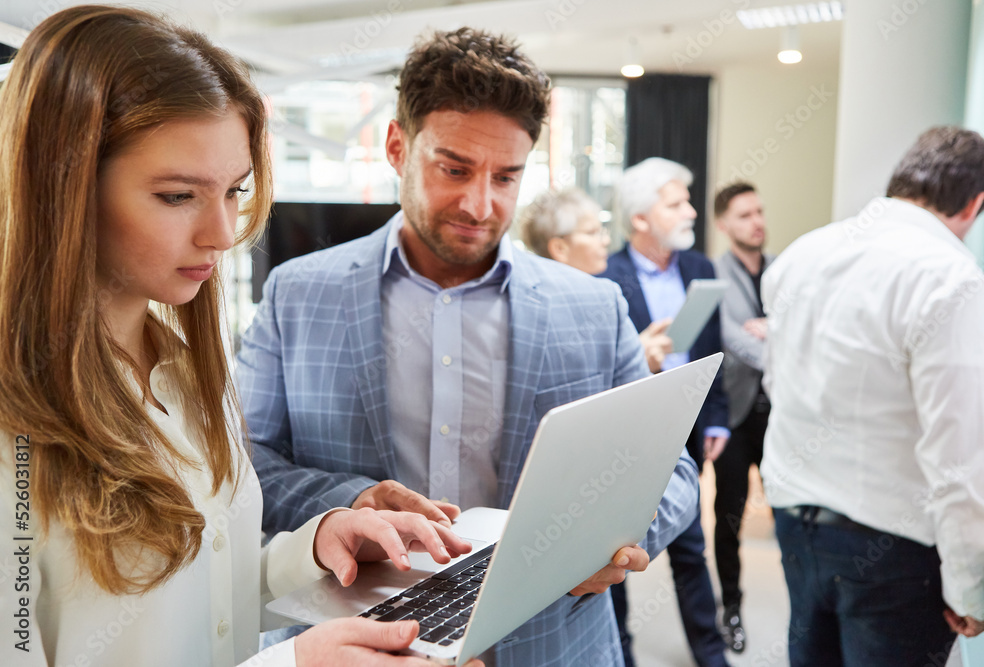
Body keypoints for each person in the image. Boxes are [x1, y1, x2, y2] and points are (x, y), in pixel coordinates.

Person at [0, 7, 483, 667]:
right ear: (63, 186)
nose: (224, 234)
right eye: (177, 196)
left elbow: (196, 599)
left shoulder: (182, 368)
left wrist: (316, 546)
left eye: (235, 191)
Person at [236, 27, 702, 666]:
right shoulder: (298, 294)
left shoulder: (593, 306)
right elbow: (245, 462)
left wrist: (613, 541)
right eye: (454, 169)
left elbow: (671, 469)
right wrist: (351, 502)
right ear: (398, 146)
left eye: (506, 177)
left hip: (551, 644)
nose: (480, 204)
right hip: (357, 644)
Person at [761, 126, 984, 666]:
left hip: (796, 522)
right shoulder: (950, 278)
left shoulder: (803, 253)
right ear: (977, 202)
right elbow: (961, 452)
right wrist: (969, 586)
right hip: (893, 548)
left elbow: (781, 386)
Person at [599, 157, 731, 667]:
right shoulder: (603, 280)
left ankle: (711, 655)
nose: (690, 212)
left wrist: (716, 416)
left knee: (691, 548)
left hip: (690, 435)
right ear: (640, 218)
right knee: (613, 555)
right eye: (675, 203)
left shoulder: (701, 268)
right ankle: (622, 657)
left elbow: (714, 351)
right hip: (628, 442)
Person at [710, 181, 774, 653]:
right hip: (732, 417)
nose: (757, 221)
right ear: (724, 224)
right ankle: (730, 605)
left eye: (759, 212)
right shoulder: (713, 276)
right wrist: (778, 340)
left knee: (791, 511)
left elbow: (806, 327)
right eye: (745, 214)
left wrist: (778, 330)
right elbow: (734, 340)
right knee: (728, 517)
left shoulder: (784, 270)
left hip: (779, 416)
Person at [519, 187, 674, 369]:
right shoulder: (543, 311)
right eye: (592, 232)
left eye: (602, 231)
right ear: (560, 248)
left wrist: (634, 352)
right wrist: (634, 360)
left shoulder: (604, 293)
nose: (605, 241)